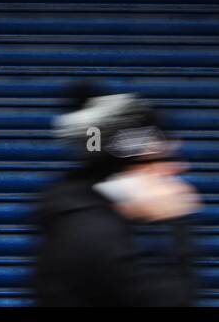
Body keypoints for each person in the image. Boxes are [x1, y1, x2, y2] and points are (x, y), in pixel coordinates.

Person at [33, 91, 202, 306]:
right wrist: (177, 223)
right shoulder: (96, 235)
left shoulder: (77, 214)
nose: (177, 167)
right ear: (130, 166)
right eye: (163, 157)